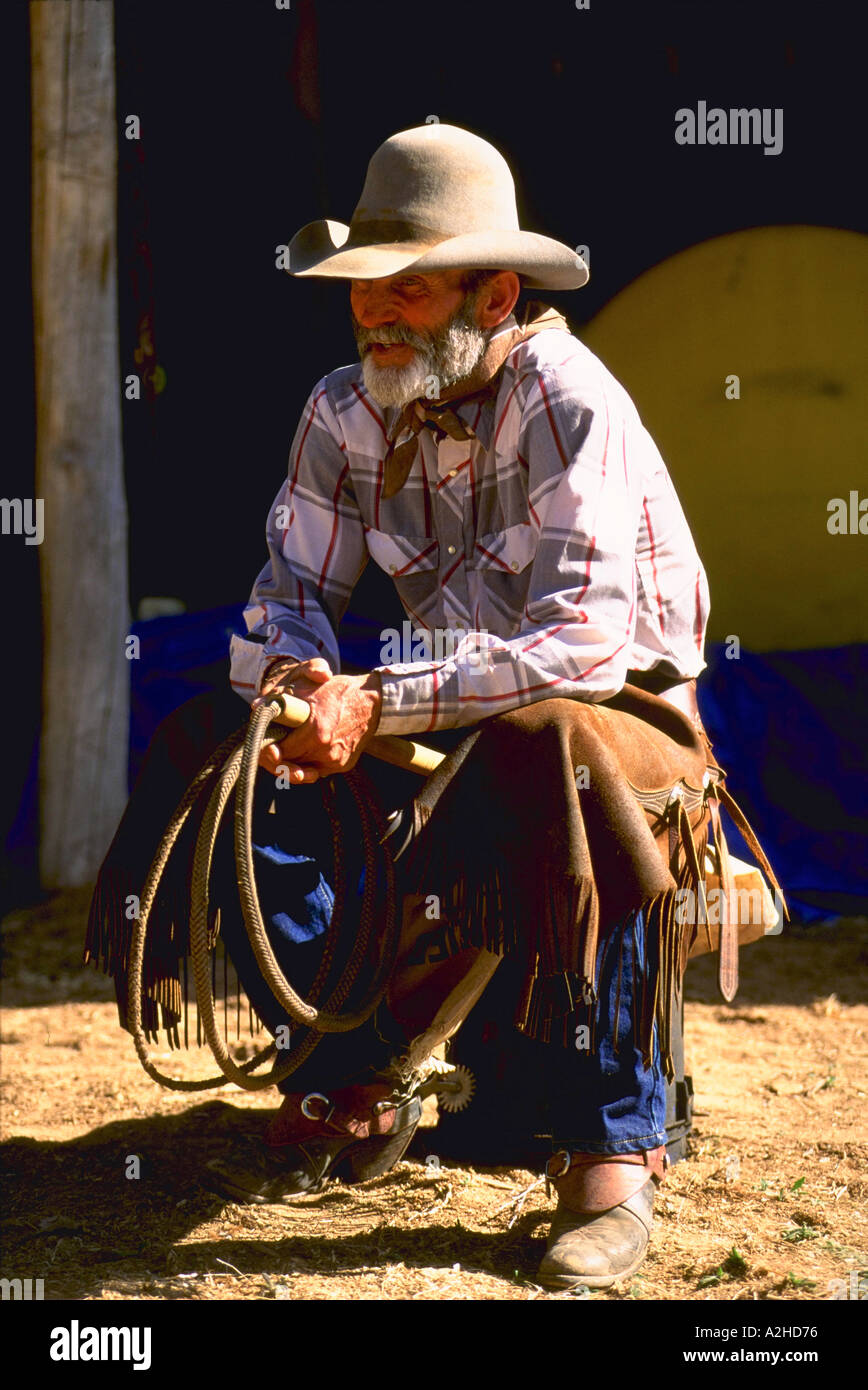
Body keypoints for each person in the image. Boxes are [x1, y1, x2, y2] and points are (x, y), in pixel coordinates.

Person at [209, 122, 718, 1291]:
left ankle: (611, 1161)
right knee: (226, 757)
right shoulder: (344, 407)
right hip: (452, 702)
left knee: (558, 754)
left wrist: (374, 701)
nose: (377, 317)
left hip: (614, 713)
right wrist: (295, 690)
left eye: (411, 290)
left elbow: (580, 644)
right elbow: (283, 597)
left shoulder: (568, 397)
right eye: (362, 294)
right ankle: (345, 1061)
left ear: (494, 296)